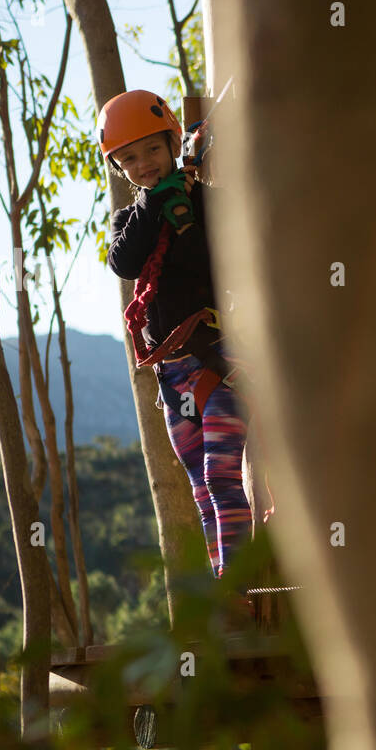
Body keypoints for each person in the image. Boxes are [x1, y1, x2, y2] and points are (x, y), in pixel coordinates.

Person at [97, 89, 252, 583]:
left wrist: (187, 212)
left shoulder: (211, 203)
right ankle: (226, 590)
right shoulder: (131, 220)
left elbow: (228, 259)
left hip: (220, 360)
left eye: (152, 150)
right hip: (173, 375)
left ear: (171, 144)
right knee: (201, 489)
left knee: (220, 474)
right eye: (129, 159)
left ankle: (237, 583)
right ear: (120, 168)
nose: (143, 164)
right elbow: (124, 261)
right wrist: (154, 205)